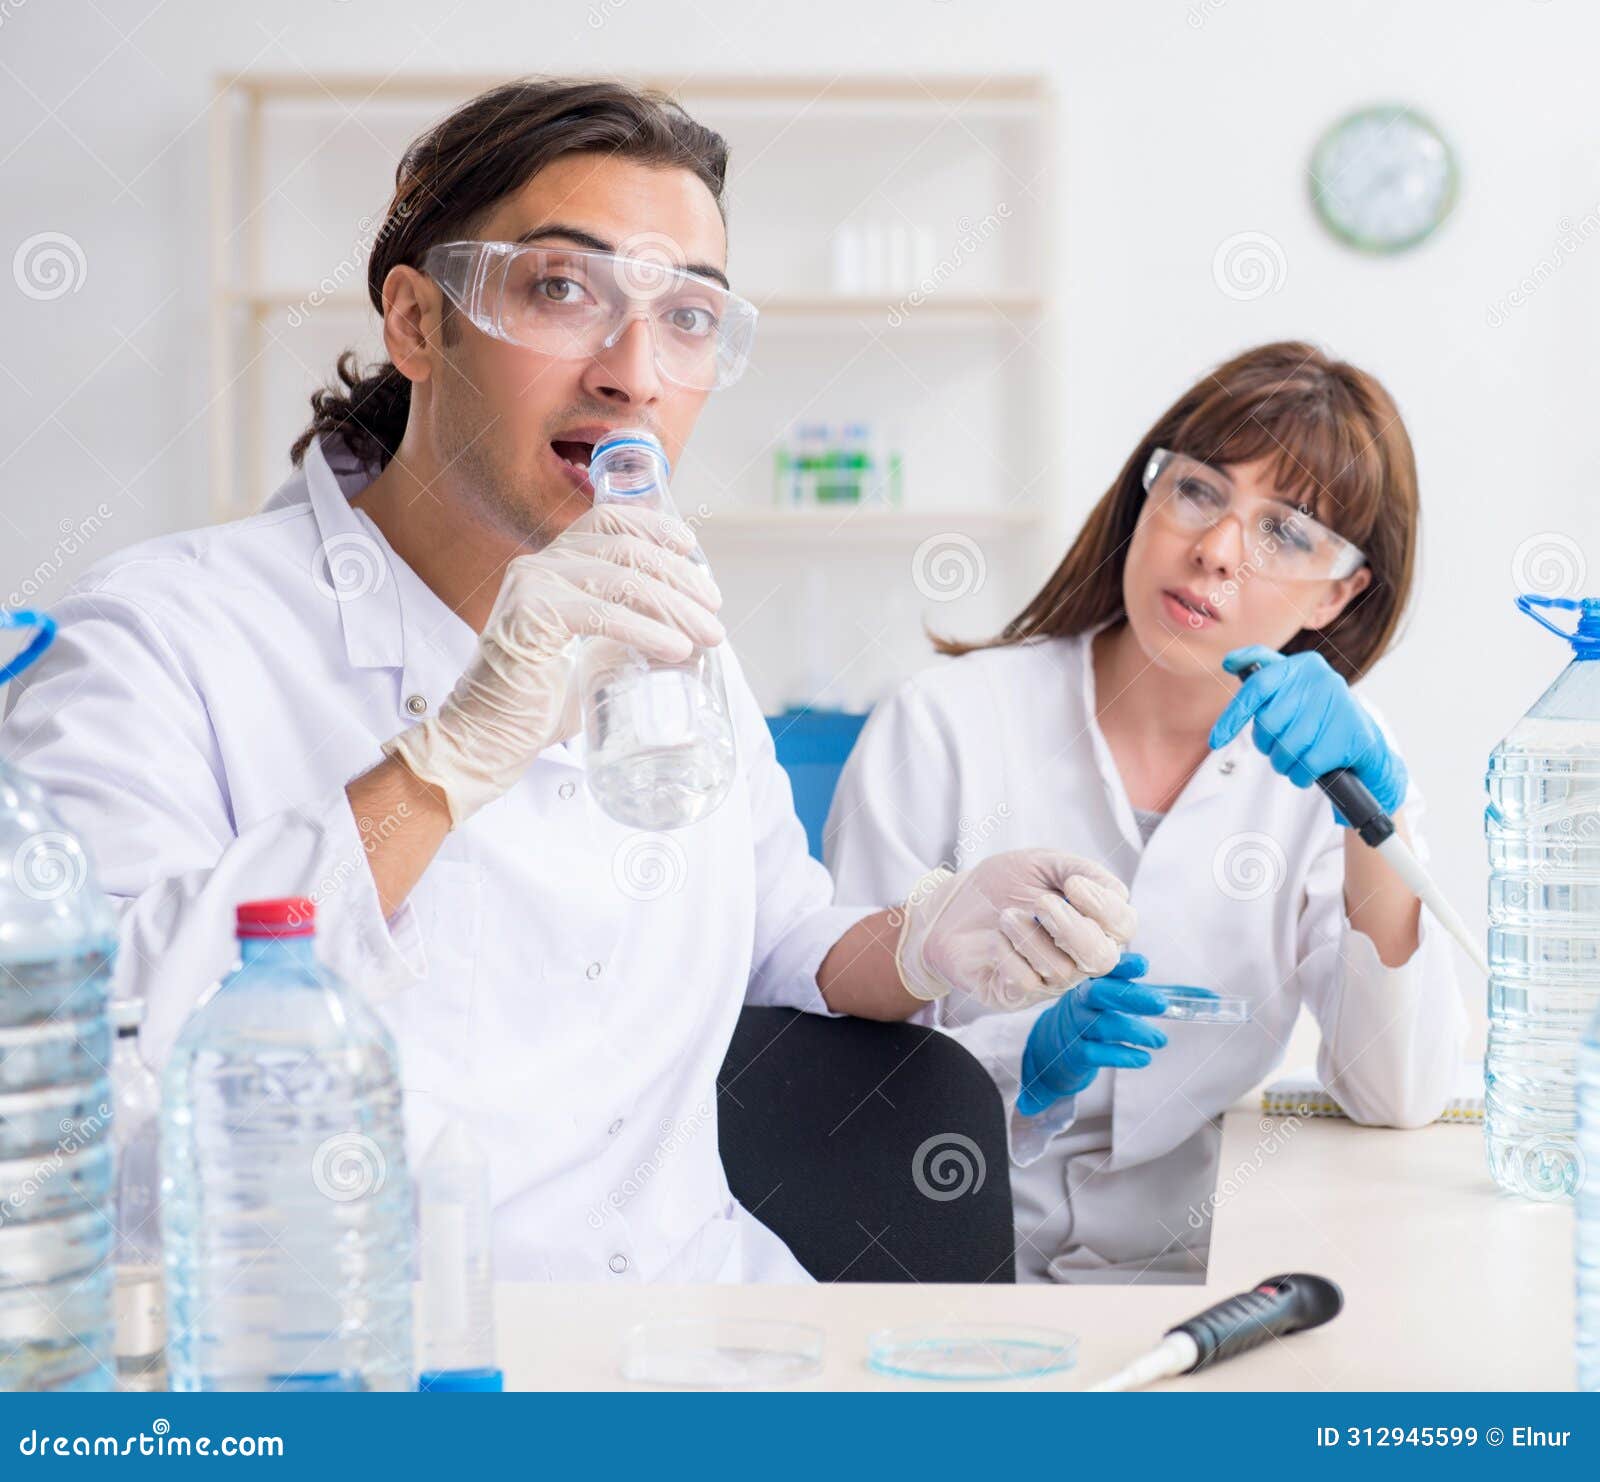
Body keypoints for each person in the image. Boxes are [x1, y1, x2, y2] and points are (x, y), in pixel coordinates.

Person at [0, 79, 1137, 1283]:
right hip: (350, 1362)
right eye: (561, 288)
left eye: (690, 314)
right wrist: (445, 766)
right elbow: (79, 1046)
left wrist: (924, 939)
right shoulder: (162, 635)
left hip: (702, 1334)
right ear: (417, 323)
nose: (632, 370)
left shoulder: (672, 626)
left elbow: (779, 934)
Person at [826, 342, 1469, 1284]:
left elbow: (1397, 1091)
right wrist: (1015, 1068)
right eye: (1200, 491)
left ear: (1340, 593)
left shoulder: (1345, 767)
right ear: (1147, 497)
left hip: (1199, 1278)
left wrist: (1377, 809)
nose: (1215, 548)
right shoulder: (948, 723)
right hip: (936, 1263)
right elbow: (828, 1067)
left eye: (1284, 532)